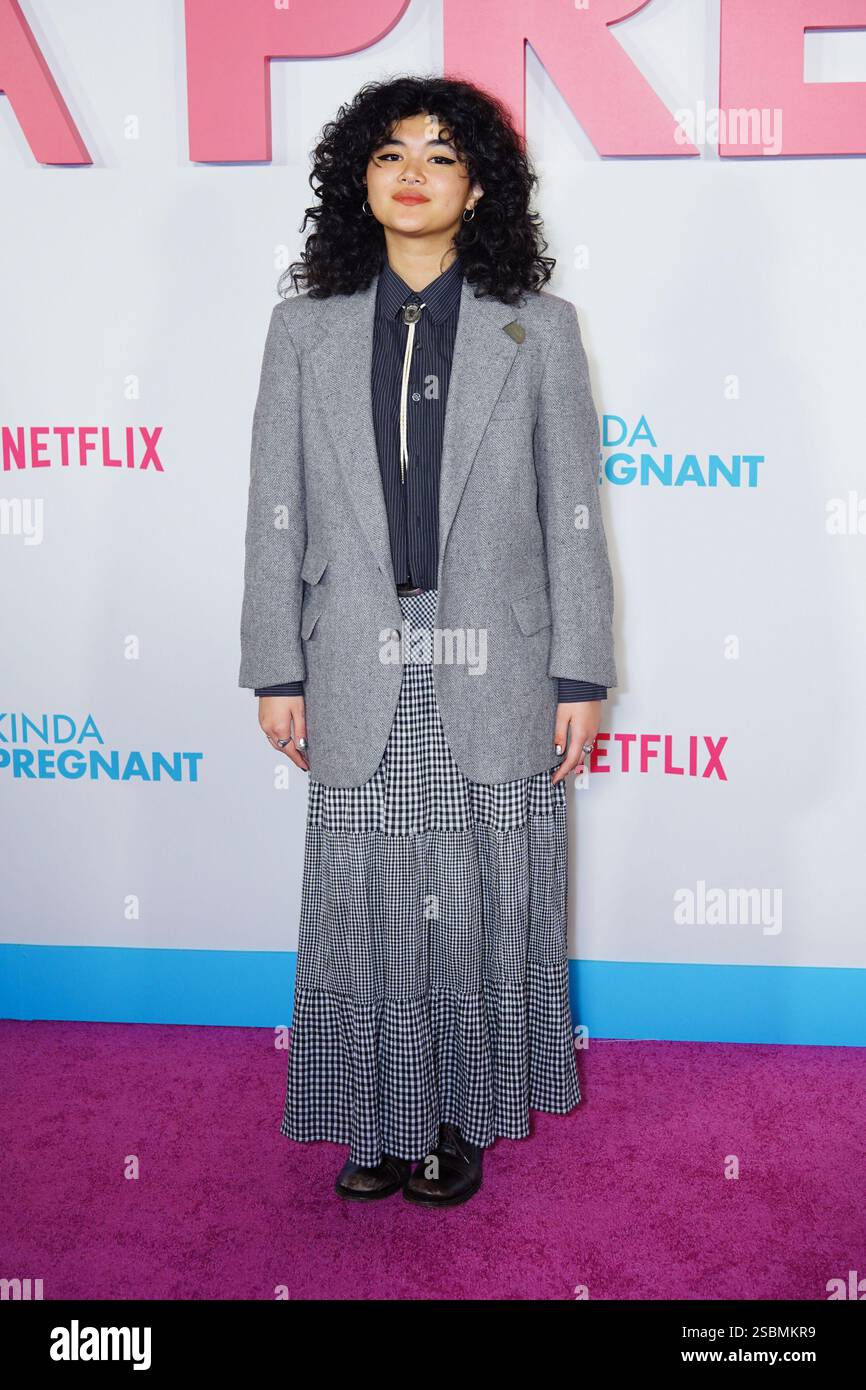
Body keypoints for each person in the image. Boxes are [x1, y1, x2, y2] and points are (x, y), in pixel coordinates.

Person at [238, 75, 617, 1208]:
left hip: (496, 661)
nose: (412, 171)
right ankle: (373, 1120)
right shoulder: (301, 330)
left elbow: (573, 513)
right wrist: (274, 664)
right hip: (353, 650)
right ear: (359, 180)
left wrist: (581, 671)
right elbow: (274, 504)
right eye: (389, 152)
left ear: (477, 187)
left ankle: (452, 1120)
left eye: (440, 154)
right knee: (362, 907)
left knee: (475, 897)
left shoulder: (538, 331)